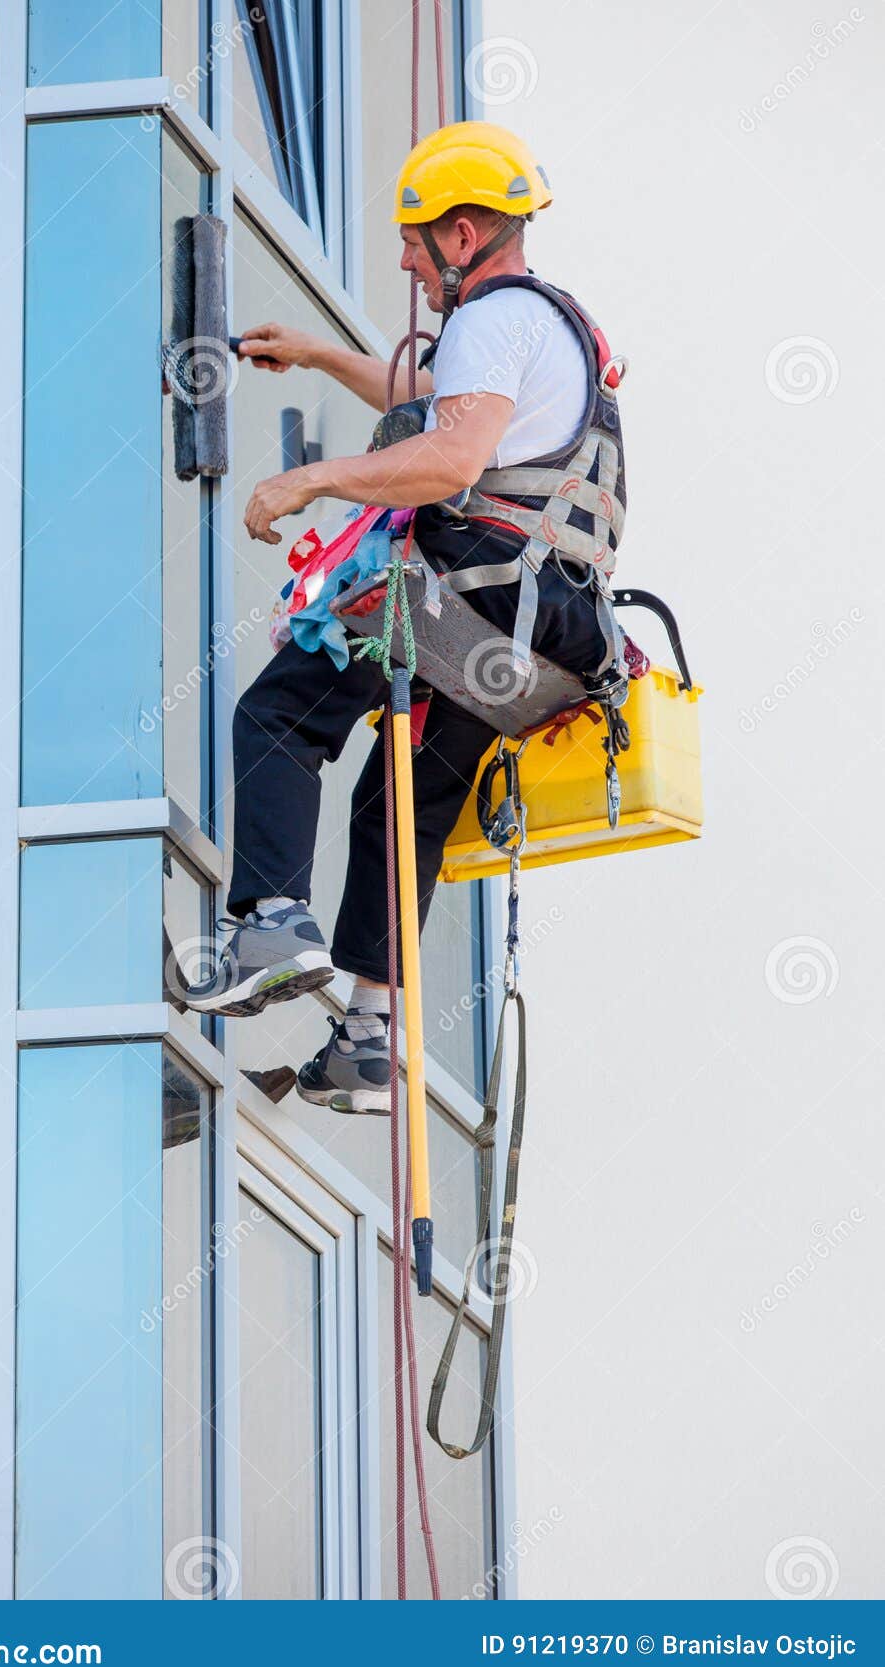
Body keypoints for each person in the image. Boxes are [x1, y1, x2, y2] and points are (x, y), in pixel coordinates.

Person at [175, 121, 625, 1116]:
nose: (401, 260)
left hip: (467, 599)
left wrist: (307, 480)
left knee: (280, 713)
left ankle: (269, 925)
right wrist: (317, 354)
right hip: (537, 639)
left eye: (413, 238)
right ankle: (368, 1041)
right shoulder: (553, 329)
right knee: (403, 805)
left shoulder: (487, 314)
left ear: (462, 235)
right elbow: (427, 397)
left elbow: (450, 456)